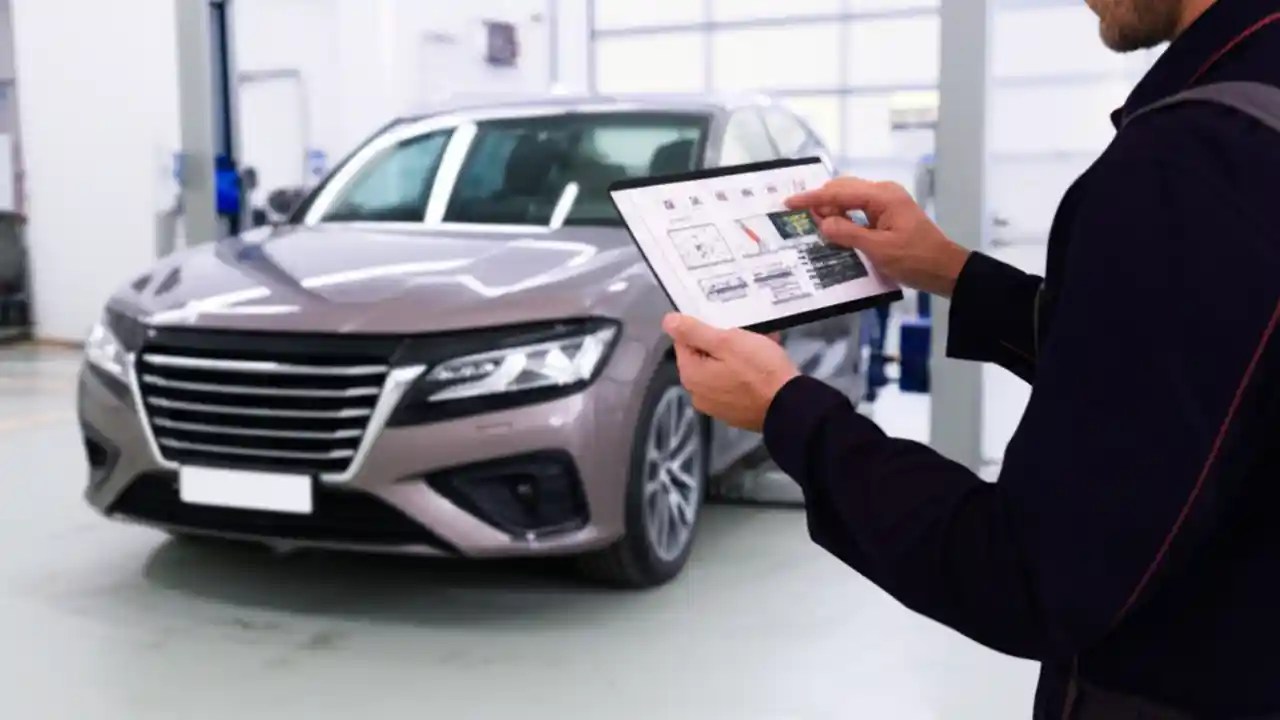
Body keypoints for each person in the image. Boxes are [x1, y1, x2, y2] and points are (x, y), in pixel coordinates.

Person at [662, 0, 1280, 716]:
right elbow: (1187, 369)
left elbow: (1034, 577)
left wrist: (787, 411)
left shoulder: (1196, 159)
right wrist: (952, 270)